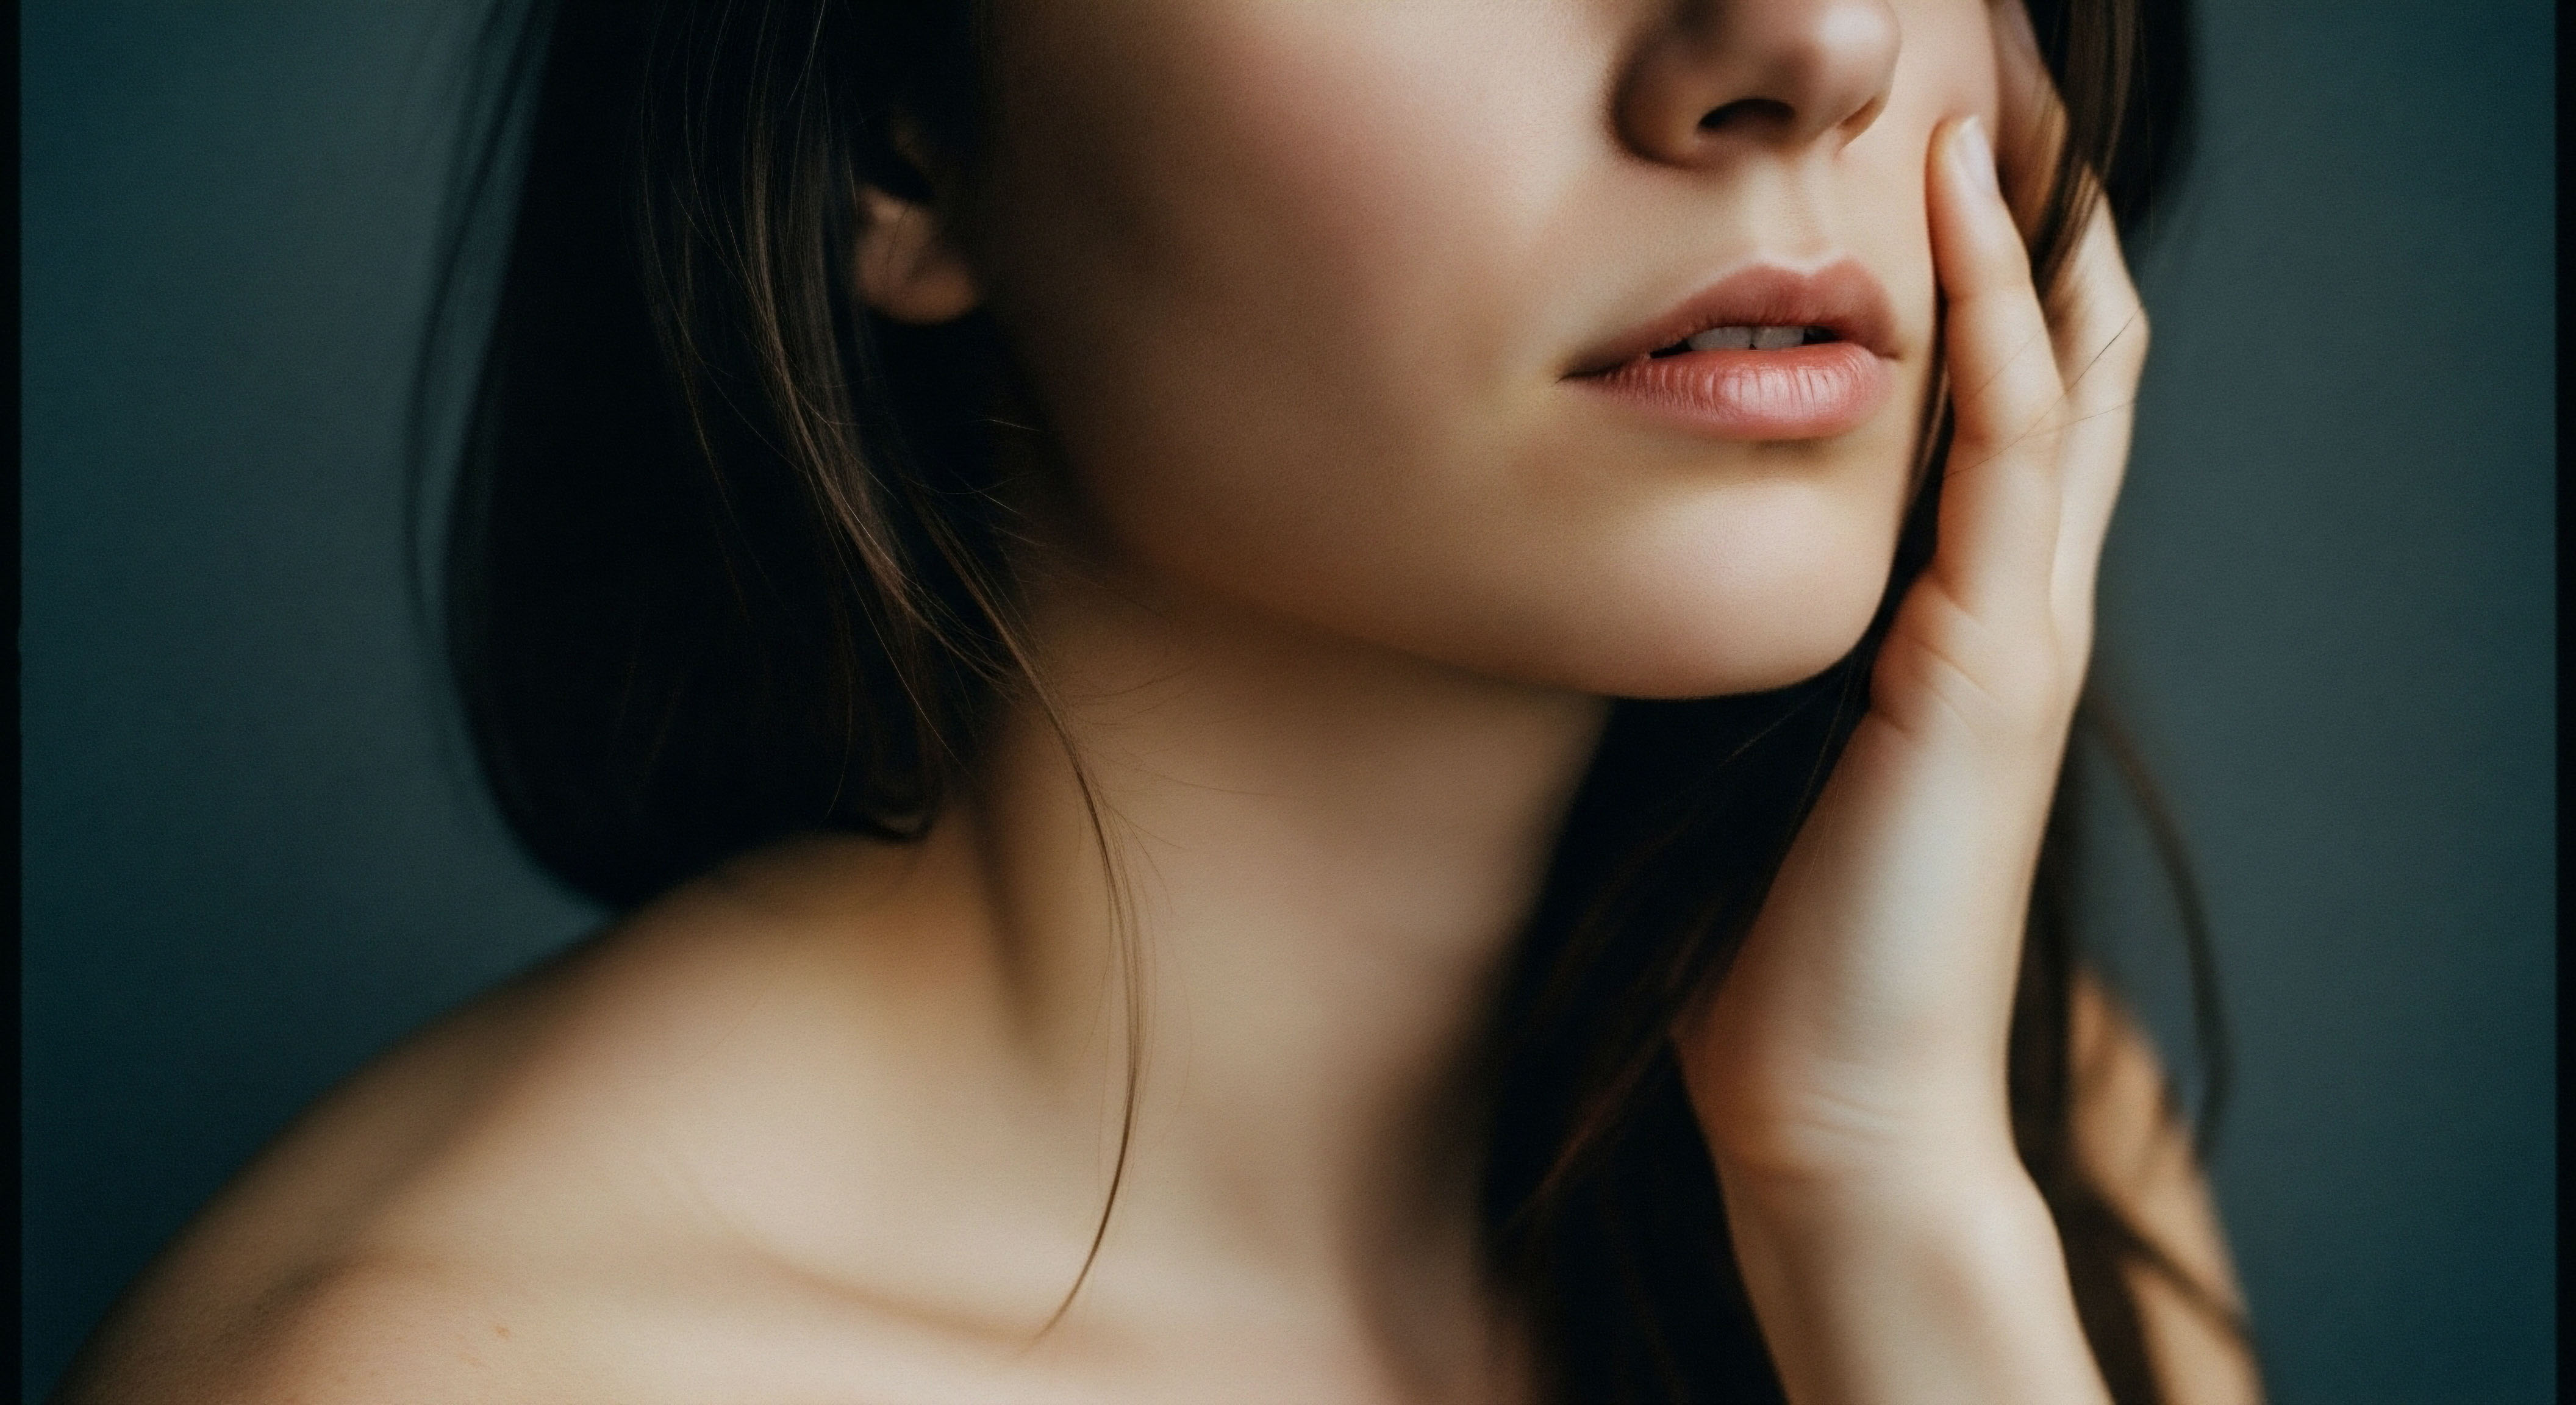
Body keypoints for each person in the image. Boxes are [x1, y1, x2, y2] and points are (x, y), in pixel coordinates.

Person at [60, 0, 2264, 1400]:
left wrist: (1885, 1227)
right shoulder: (440, 1382)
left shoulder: (1999, 1135)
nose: (1816, 36)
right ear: (896, 137)